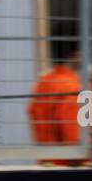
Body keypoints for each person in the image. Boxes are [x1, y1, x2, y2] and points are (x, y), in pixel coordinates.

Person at [28, 20, 85, 162]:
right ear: (76, 55)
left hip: (45, 165)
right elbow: (74, 144)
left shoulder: (42, 84)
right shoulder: (72, 88)